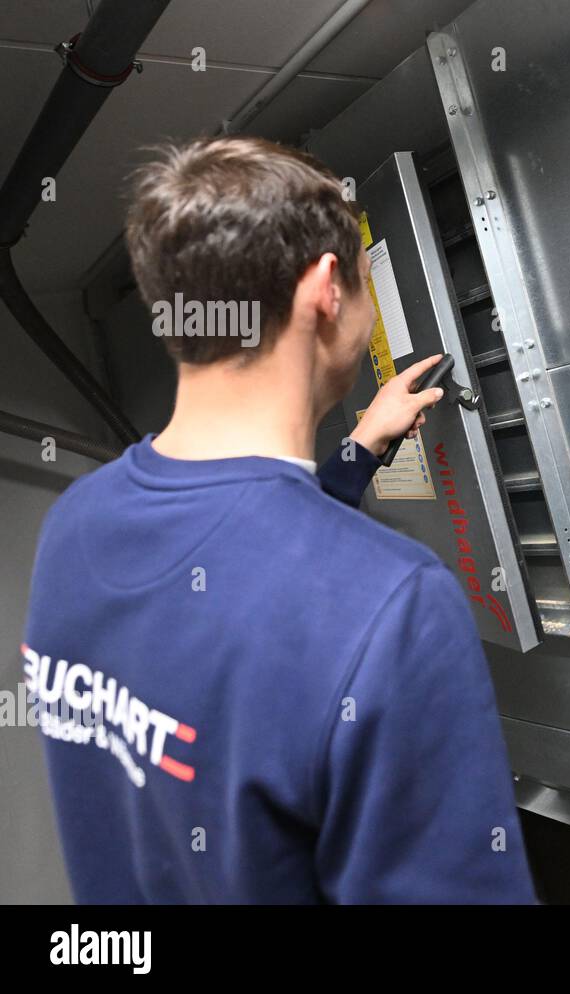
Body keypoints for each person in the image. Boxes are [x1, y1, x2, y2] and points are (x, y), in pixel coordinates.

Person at [21, 135, 535, 903]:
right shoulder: (396, 604)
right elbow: (292, 605)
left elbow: (252, 593)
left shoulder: (77, 524)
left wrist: (362, 446)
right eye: (363, 280)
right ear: (327, 289)